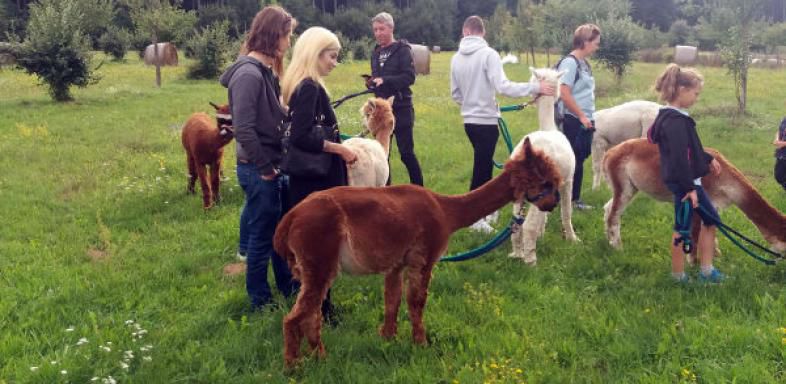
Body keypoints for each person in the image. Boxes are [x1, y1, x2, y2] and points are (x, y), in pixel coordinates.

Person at [219, 6, 298, 310]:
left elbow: (272, 113)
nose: (288, 42)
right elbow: (245, 129)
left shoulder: (265, 72)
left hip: (272, 165)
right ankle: (259, 299)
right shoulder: (249, 75)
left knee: (280, 234)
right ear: (273, 35)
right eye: (287, 35)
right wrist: (266, 169)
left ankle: (288, 286)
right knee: (262, 237)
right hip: (258, 169)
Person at [450, 15, 555, 233]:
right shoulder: (489, 54)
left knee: (484, 165)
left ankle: (485, 211)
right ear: (483, 32)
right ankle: (474, 218)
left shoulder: (455, 58)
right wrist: (535, 88)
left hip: (469, 121)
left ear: (465, 31)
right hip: (486, 122)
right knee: (481, 170)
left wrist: (472, 103)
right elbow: (504, 86)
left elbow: (456, 94)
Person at [280, 26, 357, 322]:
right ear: (315, 54)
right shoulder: (310, 86)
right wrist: (341, 150)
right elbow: (301, 136)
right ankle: (320, 310)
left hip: (308, 178)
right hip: (316, 179)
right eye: (332, 56)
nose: (334, 63)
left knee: (315, 245)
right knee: (320, 245)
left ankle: (320, 305)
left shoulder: (301, 84)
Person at [648, 63, 725, 283]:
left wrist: (708, 159)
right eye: (695, 93)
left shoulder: (675, 117)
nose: (696, 98)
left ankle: (706, 269)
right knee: (683, 227)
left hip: (688, 182)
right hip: (686, 184)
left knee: (711, 221)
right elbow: (680, 158)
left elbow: (690, 148)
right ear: (682, 90)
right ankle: (680, 274)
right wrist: (690, 188)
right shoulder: (675, 122)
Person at [369, 12, 424, 186]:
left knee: (406, 153)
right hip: (381, 111)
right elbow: (377, 78)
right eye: (375, 30)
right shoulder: (375, 53)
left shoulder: (403, 50)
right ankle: (387, 190)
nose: (378, 33)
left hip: (401, 107)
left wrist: (386, 80)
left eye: (382, 29)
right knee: (382, 154)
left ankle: (420, 191)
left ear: (391, 28)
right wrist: (372, 82)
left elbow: (409, 77)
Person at [557, 24, 601, 210]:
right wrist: (582, 116)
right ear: (585, 42)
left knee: (580, 157)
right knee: (572, 159)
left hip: (585, 117)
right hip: (573, 118)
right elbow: (564, 93)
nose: (598, 46)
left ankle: (572, 198)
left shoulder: (584, 64)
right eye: (596, 43)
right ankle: (570, 200)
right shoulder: (570, 62)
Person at [774, 116, 786, 190]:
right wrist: (777, 140)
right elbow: (779, 130)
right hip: (782, 153)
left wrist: (783, 144)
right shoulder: (784, 119)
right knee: (778, 176)